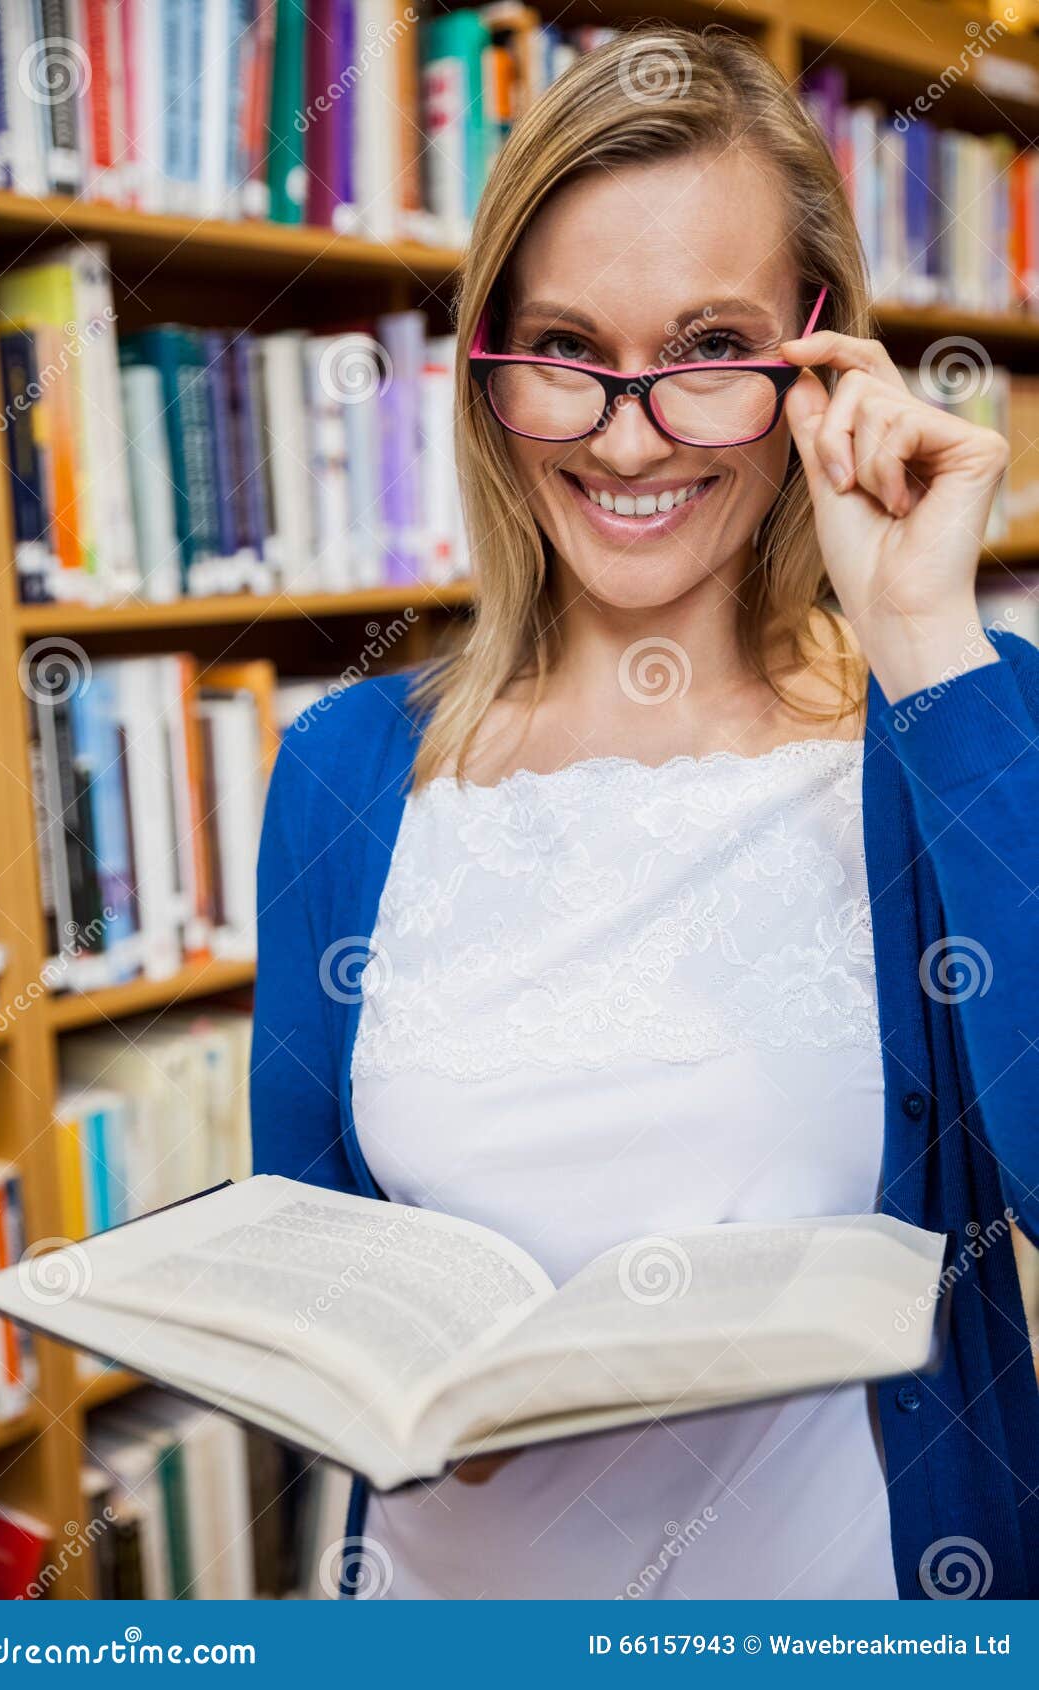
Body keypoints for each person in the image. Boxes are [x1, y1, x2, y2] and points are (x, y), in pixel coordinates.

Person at [252, 27, 1039, 1599]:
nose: (624, 434)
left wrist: (927, 647)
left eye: (705, 350)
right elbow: (310, 1272)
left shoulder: (957, 716)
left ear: (822, 358)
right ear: (489, 366)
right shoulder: (343, 768)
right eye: (565, 347)